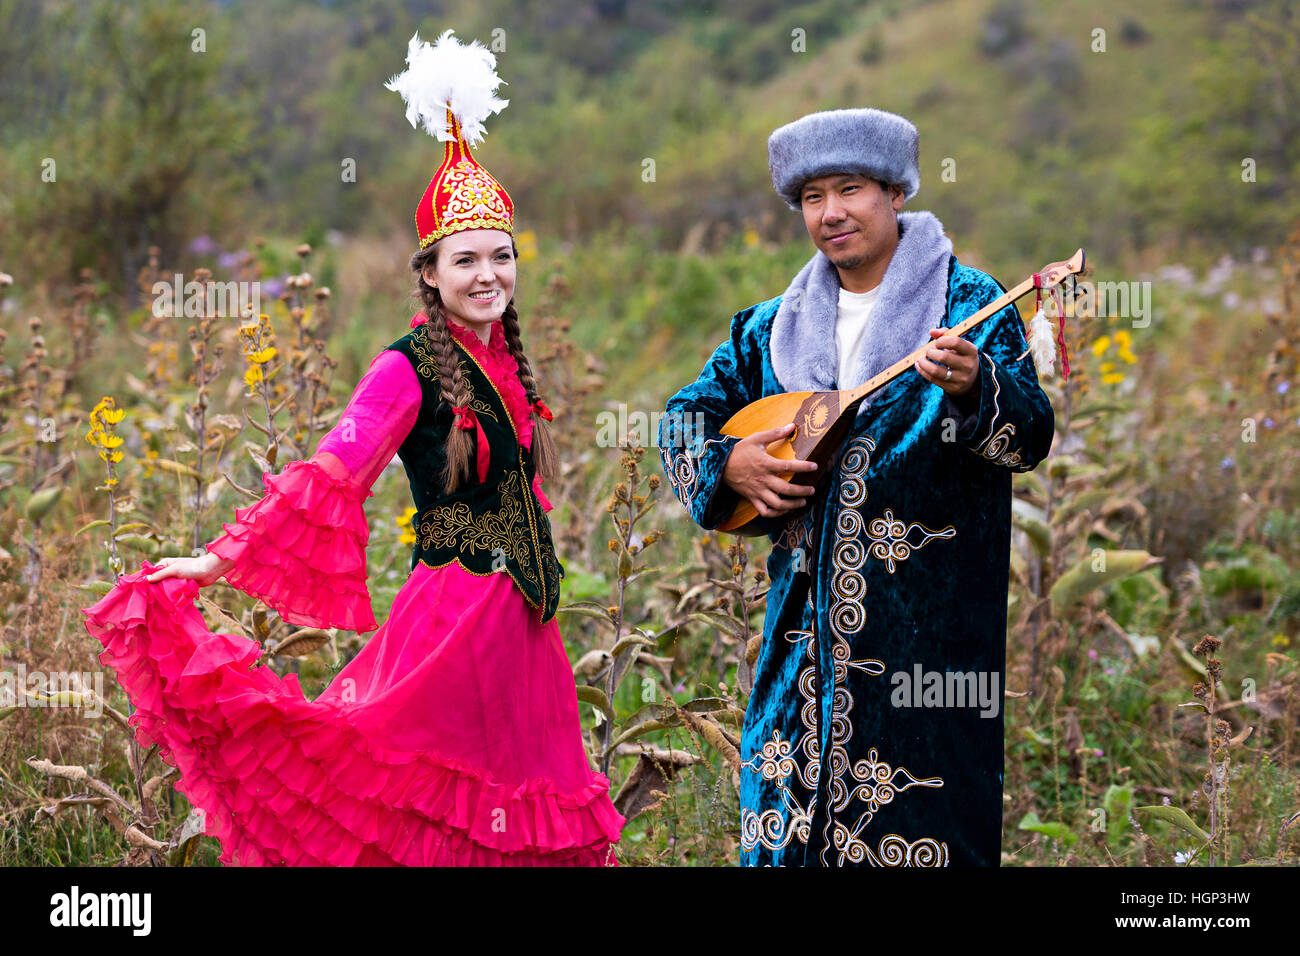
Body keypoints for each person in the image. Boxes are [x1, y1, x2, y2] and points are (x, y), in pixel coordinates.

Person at [81, 30, 625, 866]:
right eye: (466, 260)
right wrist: (217, 563)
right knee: (418, 808)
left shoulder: (502, 360)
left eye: (502, 256)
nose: (489, 274)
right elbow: (333, 472)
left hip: (524, 633)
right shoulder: (404, 369)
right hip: (455, 623)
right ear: (430, 274)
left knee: (514, 825)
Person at [658, 107, 1055, 866]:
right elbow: (683, 419)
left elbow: (1029, 438)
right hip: (796, 661)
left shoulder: (969, 305)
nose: (831, 213)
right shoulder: (770, 329)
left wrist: (977, 387)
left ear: (895, 193)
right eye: (812, 198)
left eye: (851, 190)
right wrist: (729, 463)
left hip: (929, 664)